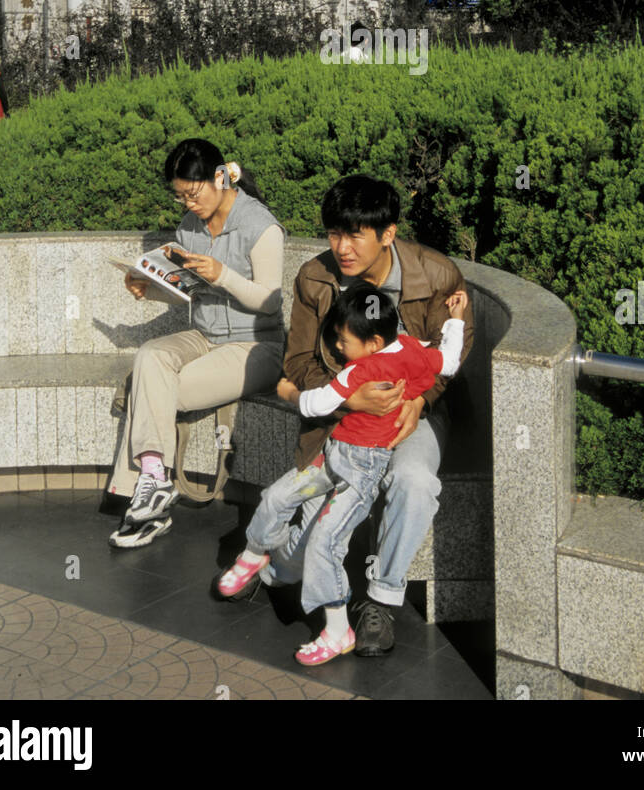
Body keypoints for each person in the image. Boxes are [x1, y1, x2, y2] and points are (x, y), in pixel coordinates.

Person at [258, 174, 474, 657]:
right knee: (305, 538)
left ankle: (381, 600)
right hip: (344, 421)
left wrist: (419, 401)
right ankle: (272, 560)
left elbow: (453, 353)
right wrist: (349, 399)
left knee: (414, 482)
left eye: (356, 234)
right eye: (335, 233)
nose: (343, 247)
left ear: (388, 234)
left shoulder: (436, 276)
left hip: (415, 413)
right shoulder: (316, 278)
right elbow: (296, 363)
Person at [216, 284, 467, 666]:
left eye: (343, 340)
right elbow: (448, 361)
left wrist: (287, 392)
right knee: (277, 496)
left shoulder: (361, 372)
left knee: (324, 543)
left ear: (374, 342)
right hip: (334, 456)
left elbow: (316, 403)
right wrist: (455, 321)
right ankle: (255, 554)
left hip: (361, 473)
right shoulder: (412, 350)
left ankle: (337, 630)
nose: (336, 347)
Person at [107, 138, 285, 548]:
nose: (188, 203)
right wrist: (148, 289)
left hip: (255, 344)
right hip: (205, 334)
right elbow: (188, 291)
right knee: (151, 355)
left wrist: (223, 274)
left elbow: (271, 300)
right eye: (180, 195)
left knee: (155, 389)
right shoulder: (189, 228)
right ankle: (154, 480)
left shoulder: (261, 226)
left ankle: (147, 496)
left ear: (219, 177)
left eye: (193, 192)